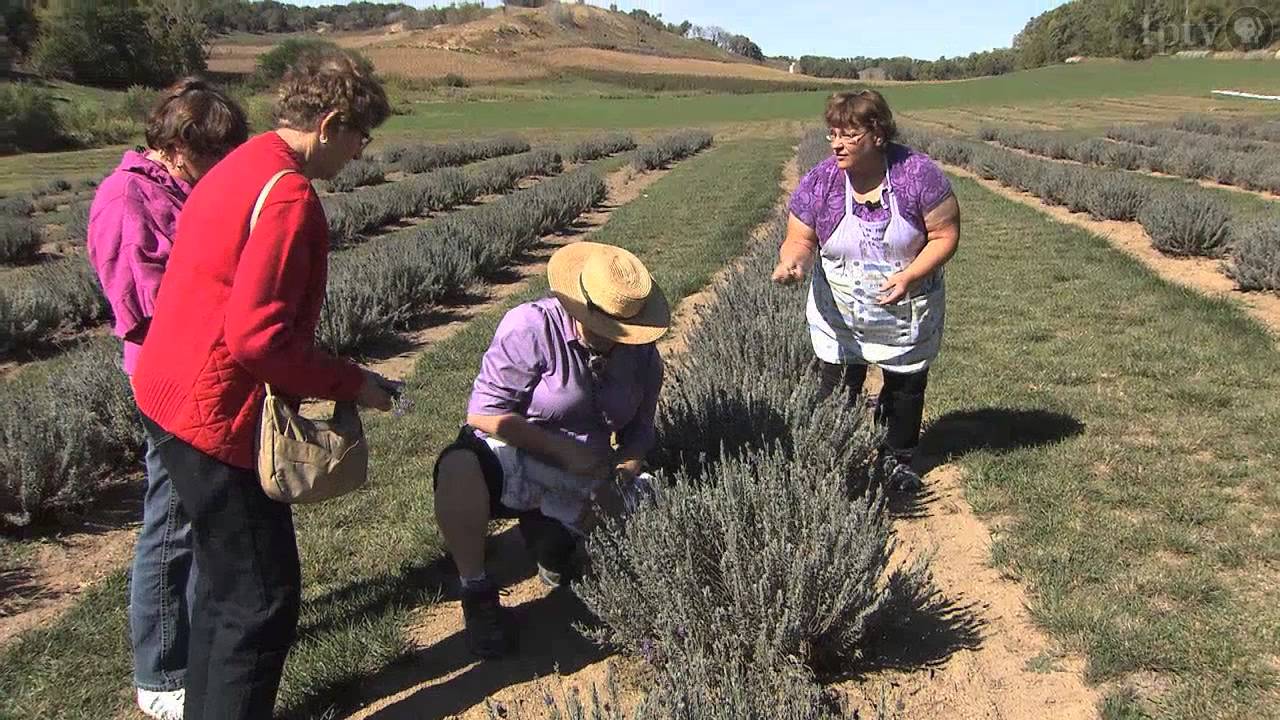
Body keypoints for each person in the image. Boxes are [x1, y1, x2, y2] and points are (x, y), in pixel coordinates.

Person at [129, 49, 396, 720]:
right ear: (332, 123)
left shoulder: (240, 164)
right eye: (360, 138)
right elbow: (257, 339)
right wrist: (351, 382)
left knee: (222, 589)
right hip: (214, 415)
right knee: (261, 598)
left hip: (170, 394)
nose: (359, 155)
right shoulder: (288, 194)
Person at [86, 77, 249, 720]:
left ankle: (200, 635)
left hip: (210, 371)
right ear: (179, 146)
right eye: (214, 154)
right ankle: (161, 673)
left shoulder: (181, 188)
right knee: (174, 517)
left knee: (207, 512)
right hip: (170, 377)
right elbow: (143, 304)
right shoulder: (127, 196)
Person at [432, 242, 668, 659]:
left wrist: (622, 476)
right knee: (458, 467)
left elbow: (638, 435)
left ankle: (551, 542)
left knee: (647, 512)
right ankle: (478, 592)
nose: (616, 340)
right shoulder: (531, 327)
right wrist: (559, 450)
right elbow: (483, 414)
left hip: (582, 473)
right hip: (517, 452)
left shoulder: (644, 357)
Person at [772, 90, 961, 491]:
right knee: (837, 382)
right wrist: (794, 263)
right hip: (839, 312)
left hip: (904, 309)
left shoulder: (917, 174)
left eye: (848, 134)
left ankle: (896, 460)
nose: (837, 144)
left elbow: (945, 235)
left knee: (904, 384)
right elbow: (800, 238)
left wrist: (909, 275)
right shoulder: (821, 181)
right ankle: (833, 457)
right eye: (832, 134)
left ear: (877, 134)